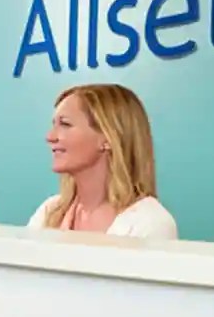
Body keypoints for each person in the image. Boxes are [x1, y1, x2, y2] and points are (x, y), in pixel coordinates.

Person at [28, 83, 177, 238]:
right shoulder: (49, 213)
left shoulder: (150, 222)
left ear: (108, 137)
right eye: (54, 125)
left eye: (65, 124)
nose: (50, 137)